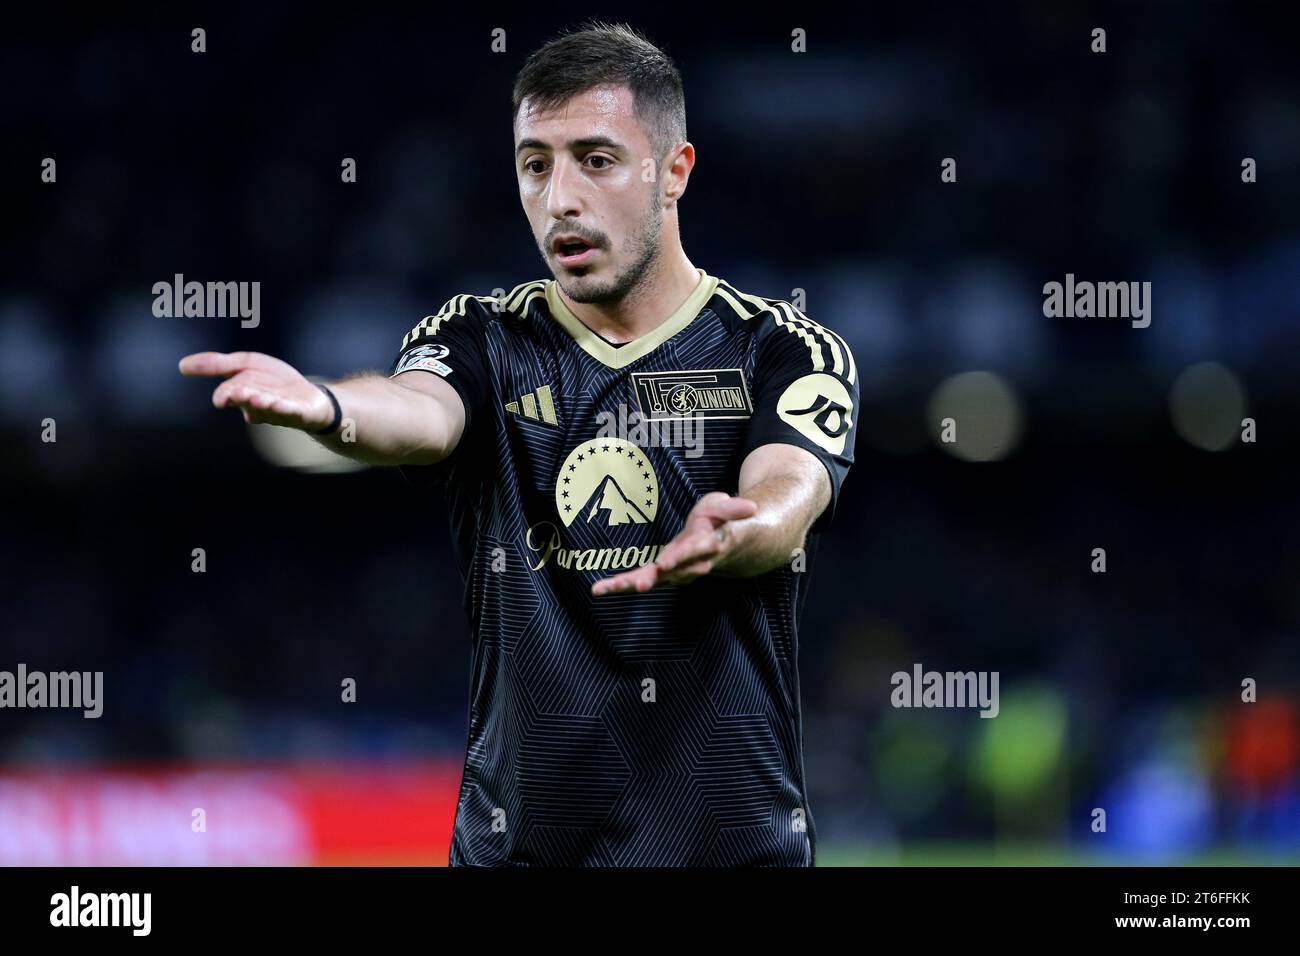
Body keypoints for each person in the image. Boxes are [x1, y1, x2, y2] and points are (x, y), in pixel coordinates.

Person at [180, 20, 858, 866]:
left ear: (673, 171)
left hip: (731, 852)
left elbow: (792, 484)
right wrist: (328, 406)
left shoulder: (781, 348)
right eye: (535, 164)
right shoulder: (484, 340)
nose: (559, 198)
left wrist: (748, 528)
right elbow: (420, 409)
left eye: (595, 160)